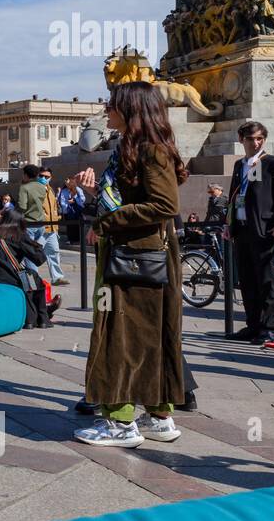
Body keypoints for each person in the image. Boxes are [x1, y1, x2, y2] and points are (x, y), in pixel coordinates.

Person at [67, 81, 193, 445]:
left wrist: (107, 222)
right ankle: (159, 416)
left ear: (132, 109)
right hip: (140, 254)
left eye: (113, 104)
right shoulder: (132, 148)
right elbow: (131, 200)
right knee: (149, 336)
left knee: (119, 336)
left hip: (135, 258)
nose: (107, 109)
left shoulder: (152, 150)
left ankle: (120, 423)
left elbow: (165, 205)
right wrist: (94, 195)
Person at [227, 120, 274, 345]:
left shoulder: (272, 163)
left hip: (264, 232)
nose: (255, 142)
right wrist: (228, 224)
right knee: (247, 280)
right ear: (241, 140)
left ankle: (271, 329)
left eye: (260, 138)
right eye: (251, 139)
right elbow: (234, 198)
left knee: (266, 281)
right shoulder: (240, 165)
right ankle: (254, 326)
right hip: (242, 230)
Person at [0, 208, 55, 328]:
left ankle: (37, 315)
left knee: (29, 277)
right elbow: (39, 259)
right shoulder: (17, 235)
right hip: (9, 277)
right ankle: (41, 318)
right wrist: (36, 244)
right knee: (35, 281)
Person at [18, 164, 69, 287]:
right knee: (32, 255)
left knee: (54, 252)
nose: (44, 178)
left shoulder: (50, 189)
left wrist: (56, 219)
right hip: (38, 226)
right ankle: (33, 279)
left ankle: (57, 277)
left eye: (47, 177)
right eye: (42, 176)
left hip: (51, 227)